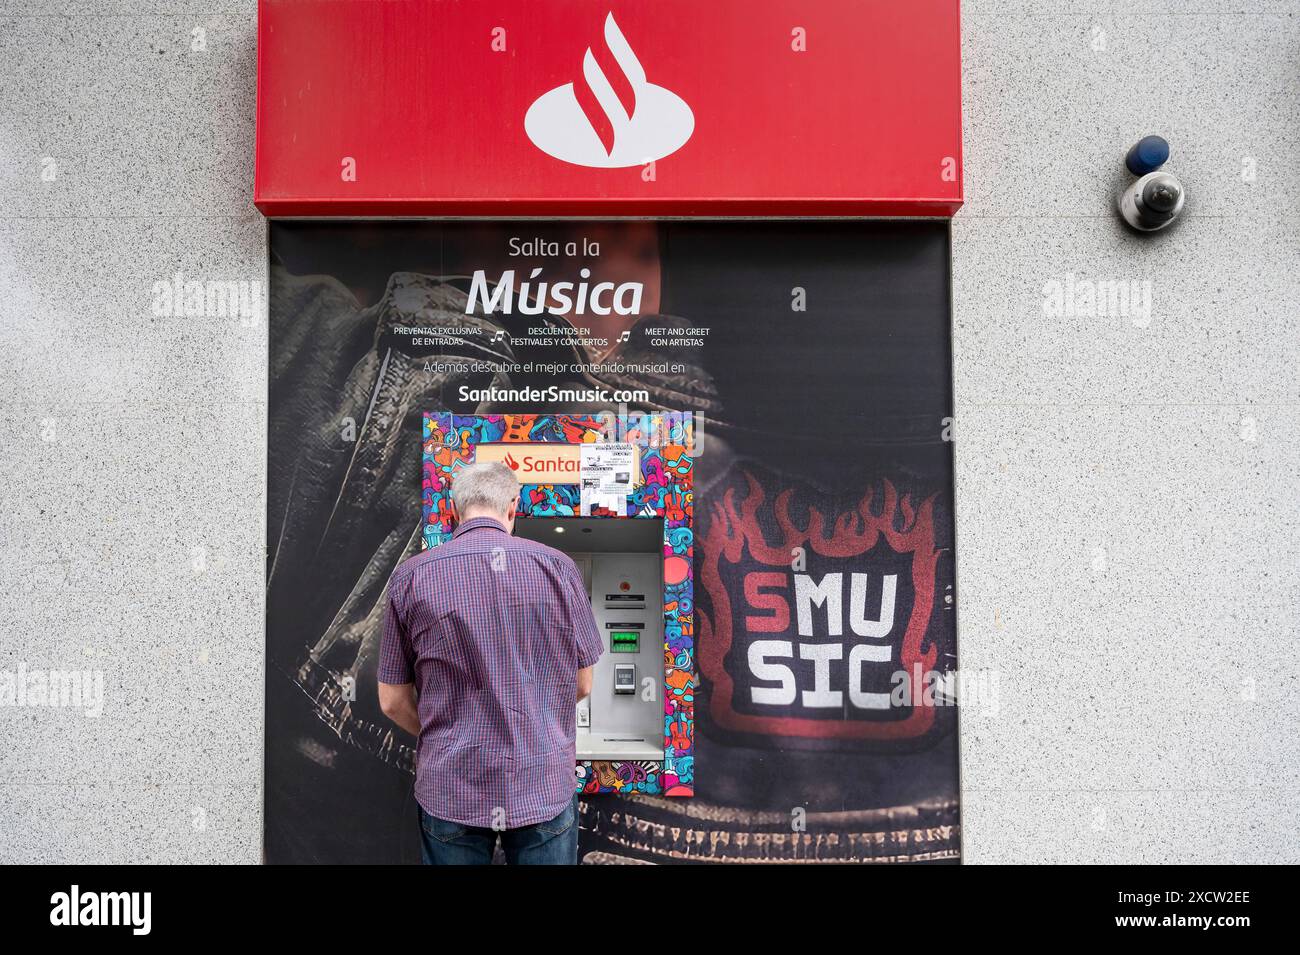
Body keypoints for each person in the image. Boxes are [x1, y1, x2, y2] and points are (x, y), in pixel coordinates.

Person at [377, 460, 604, 864]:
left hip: (452, 787)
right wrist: (535, 722)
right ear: (514, 507)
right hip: (541, 782)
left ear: (452, 512)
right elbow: (584, 684)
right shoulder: (558, 568)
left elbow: (392, 702)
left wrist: (444, 738)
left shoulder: (411, 577)